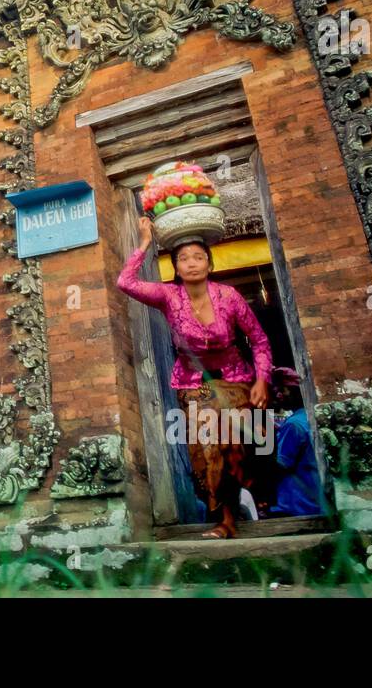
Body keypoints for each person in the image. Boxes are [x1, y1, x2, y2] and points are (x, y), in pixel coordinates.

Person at [116, 215, 273, 539]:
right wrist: (145, 243)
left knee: (234, 444)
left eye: (198, 257)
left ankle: (256, 494)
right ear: (175, 266)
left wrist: (262, 380)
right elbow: (126, 283)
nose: (191, 263)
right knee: (206, 452)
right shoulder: (169, 297)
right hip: (193, 387)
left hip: (236, 381)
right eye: (183, 259)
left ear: (210, 264)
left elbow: (259, 340)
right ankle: (226, 520)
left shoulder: (229, 297)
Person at [267, 371, 322, 517]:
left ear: (295, 392)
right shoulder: (311, 418)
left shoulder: (293, 425)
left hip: (296, 506)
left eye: (282, 390)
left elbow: (280, 464)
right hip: (316, 503)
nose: (279, 395)